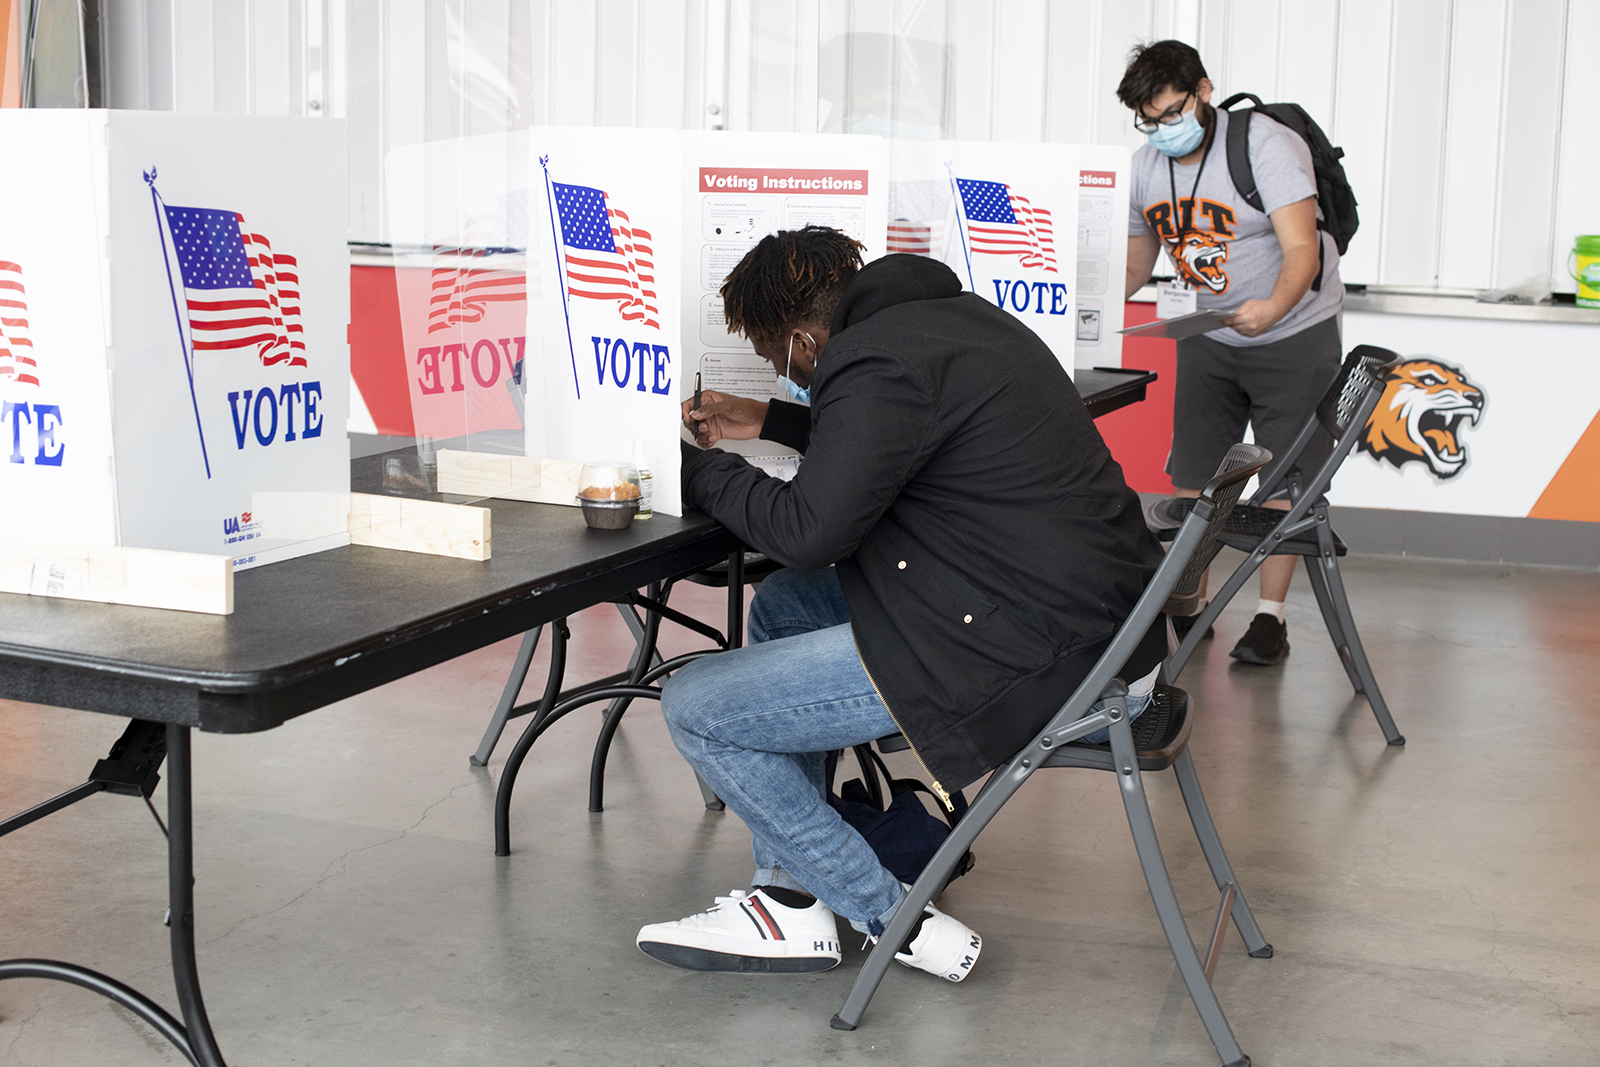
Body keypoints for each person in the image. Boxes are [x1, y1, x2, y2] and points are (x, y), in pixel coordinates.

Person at [636, 225, 1167, 979]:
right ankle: (788, 898)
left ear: (801, 342)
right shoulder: (948, 321)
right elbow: (890, 434)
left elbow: (809, 529)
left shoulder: (874, 361)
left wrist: (698, 471)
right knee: (787, 607)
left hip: (1037, 654)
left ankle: (886, 914)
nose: (783, 374)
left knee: (694, 702)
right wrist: (767, 419)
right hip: (1096, 624)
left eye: (774, 361)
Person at [1119, 39, 1344, 666]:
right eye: (1147, 120)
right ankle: (1193, 611)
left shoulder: (1263, 145)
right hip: (1209, 334)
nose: (1161, 129)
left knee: (1281, 481)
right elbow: (1137, 263)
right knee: (1198, 478)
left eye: (1170, 114)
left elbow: (1305, 250)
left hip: (1293, 331)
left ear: (1203, 90)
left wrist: (1272, 308)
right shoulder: (1144, 167)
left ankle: (1269, 621)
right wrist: (1081, 297)